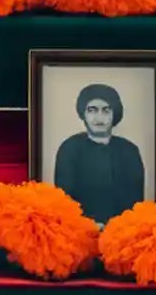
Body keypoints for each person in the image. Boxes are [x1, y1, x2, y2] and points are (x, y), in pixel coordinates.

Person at [53, 83, 146, 224]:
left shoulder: (130, 151)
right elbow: (63, 202)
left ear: (115, 114)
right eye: (92, 110)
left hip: (121, 233)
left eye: (106, 110)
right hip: (79, 232)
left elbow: (136, 203)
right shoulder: (69, 149)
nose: (99, 117)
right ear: (83, 113)